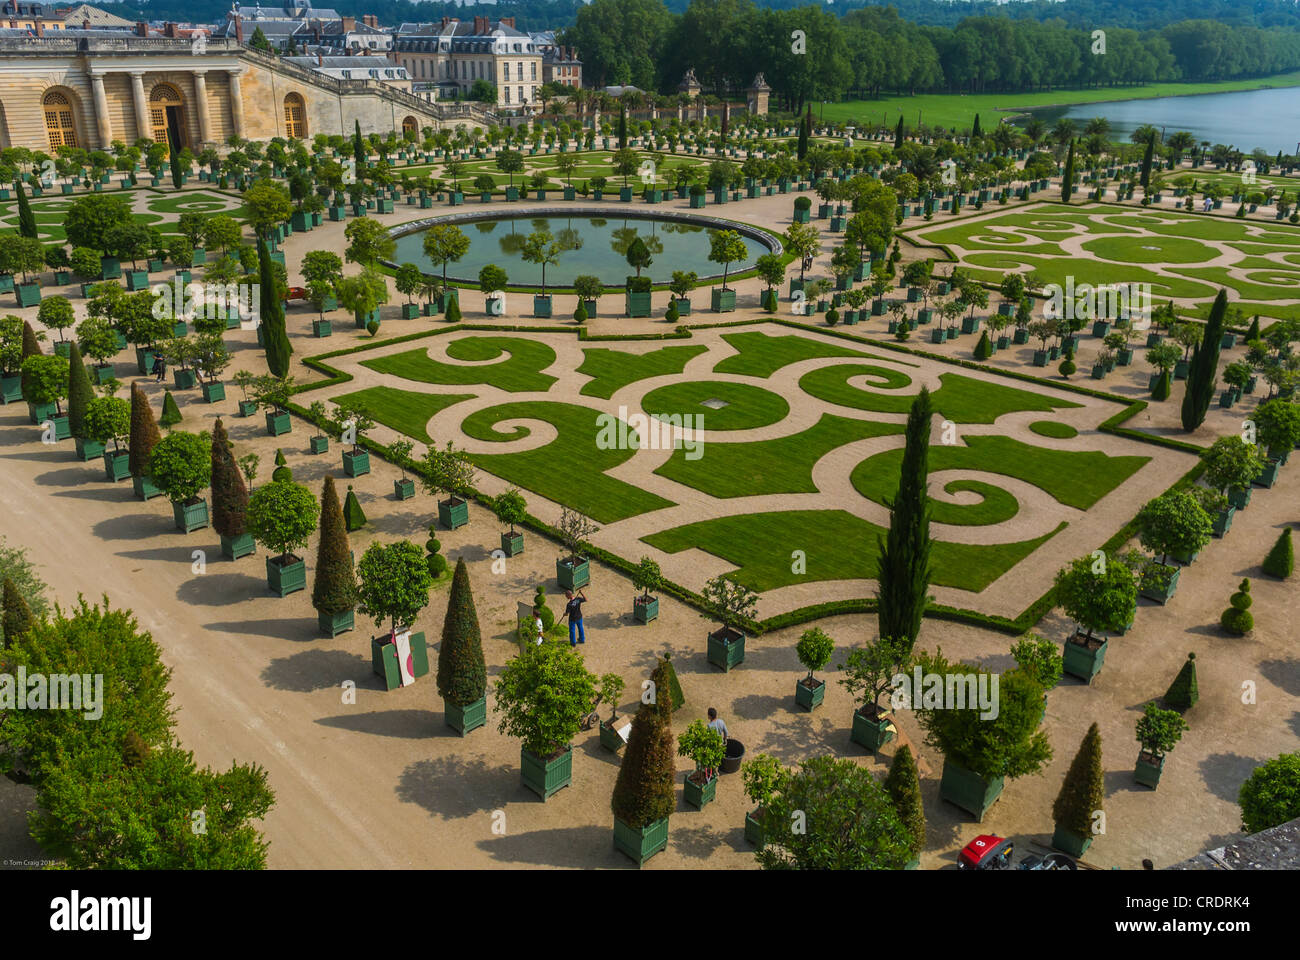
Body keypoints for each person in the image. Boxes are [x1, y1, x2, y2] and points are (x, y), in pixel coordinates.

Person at [703, 707, 729, 780]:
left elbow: (707, 738)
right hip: (720, 744)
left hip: (713, 745)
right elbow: (726, 732)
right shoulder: (721, 721)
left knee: (712, 759)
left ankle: (715, 773)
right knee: (718, 758)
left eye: (708, 715)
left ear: (710, 716)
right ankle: (716, 772)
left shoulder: (709, 726)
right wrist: (725, 739)